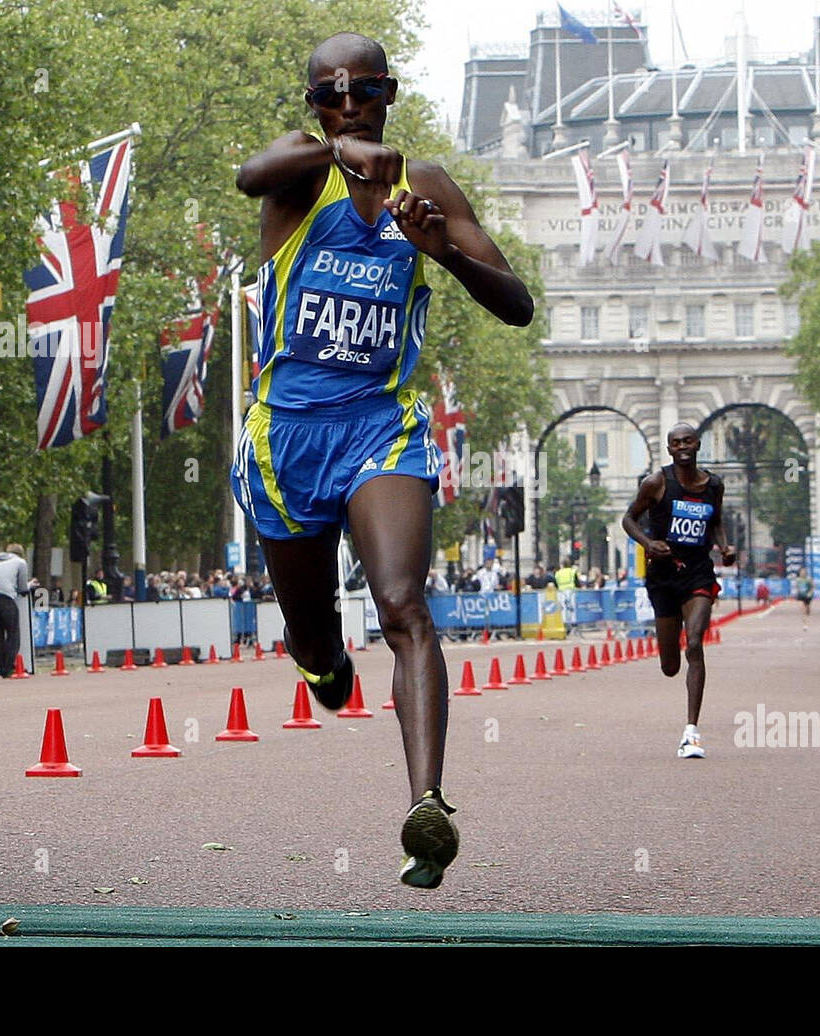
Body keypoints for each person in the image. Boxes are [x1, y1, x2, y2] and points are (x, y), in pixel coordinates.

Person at [230, 32, 533, 889]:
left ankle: (426, 809)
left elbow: (518, 305)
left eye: (364, 89)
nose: (348, 101)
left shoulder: (427, 188)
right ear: (314, 106)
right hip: (286, 435)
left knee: (405, 606)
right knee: (318, 639)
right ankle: (322, 660)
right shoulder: (299, 172)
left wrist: (444, 255)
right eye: (329, 93)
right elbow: (250, 174)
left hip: (381, 427)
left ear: (389, 92)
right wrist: (346, 152)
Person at [622, 423, 734, 760]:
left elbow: (715, 522)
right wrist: (648, 542)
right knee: (670, 665)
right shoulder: (656, 483)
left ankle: (691, 732)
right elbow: (629, 519)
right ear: (669, 449)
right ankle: (673, 668)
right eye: (676, 443)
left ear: (698, 444)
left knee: (696, 643)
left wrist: (724, 547)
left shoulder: (713, 484)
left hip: (698, 572)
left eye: (688, 440)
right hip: (663, 576)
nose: (683, 446)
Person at [0, 543, 31, 677]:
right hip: (6, 597)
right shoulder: (20, 563)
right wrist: (30, 585)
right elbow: (22, 588)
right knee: (13, 633)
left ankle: (1, 666)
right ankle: (9, 666)